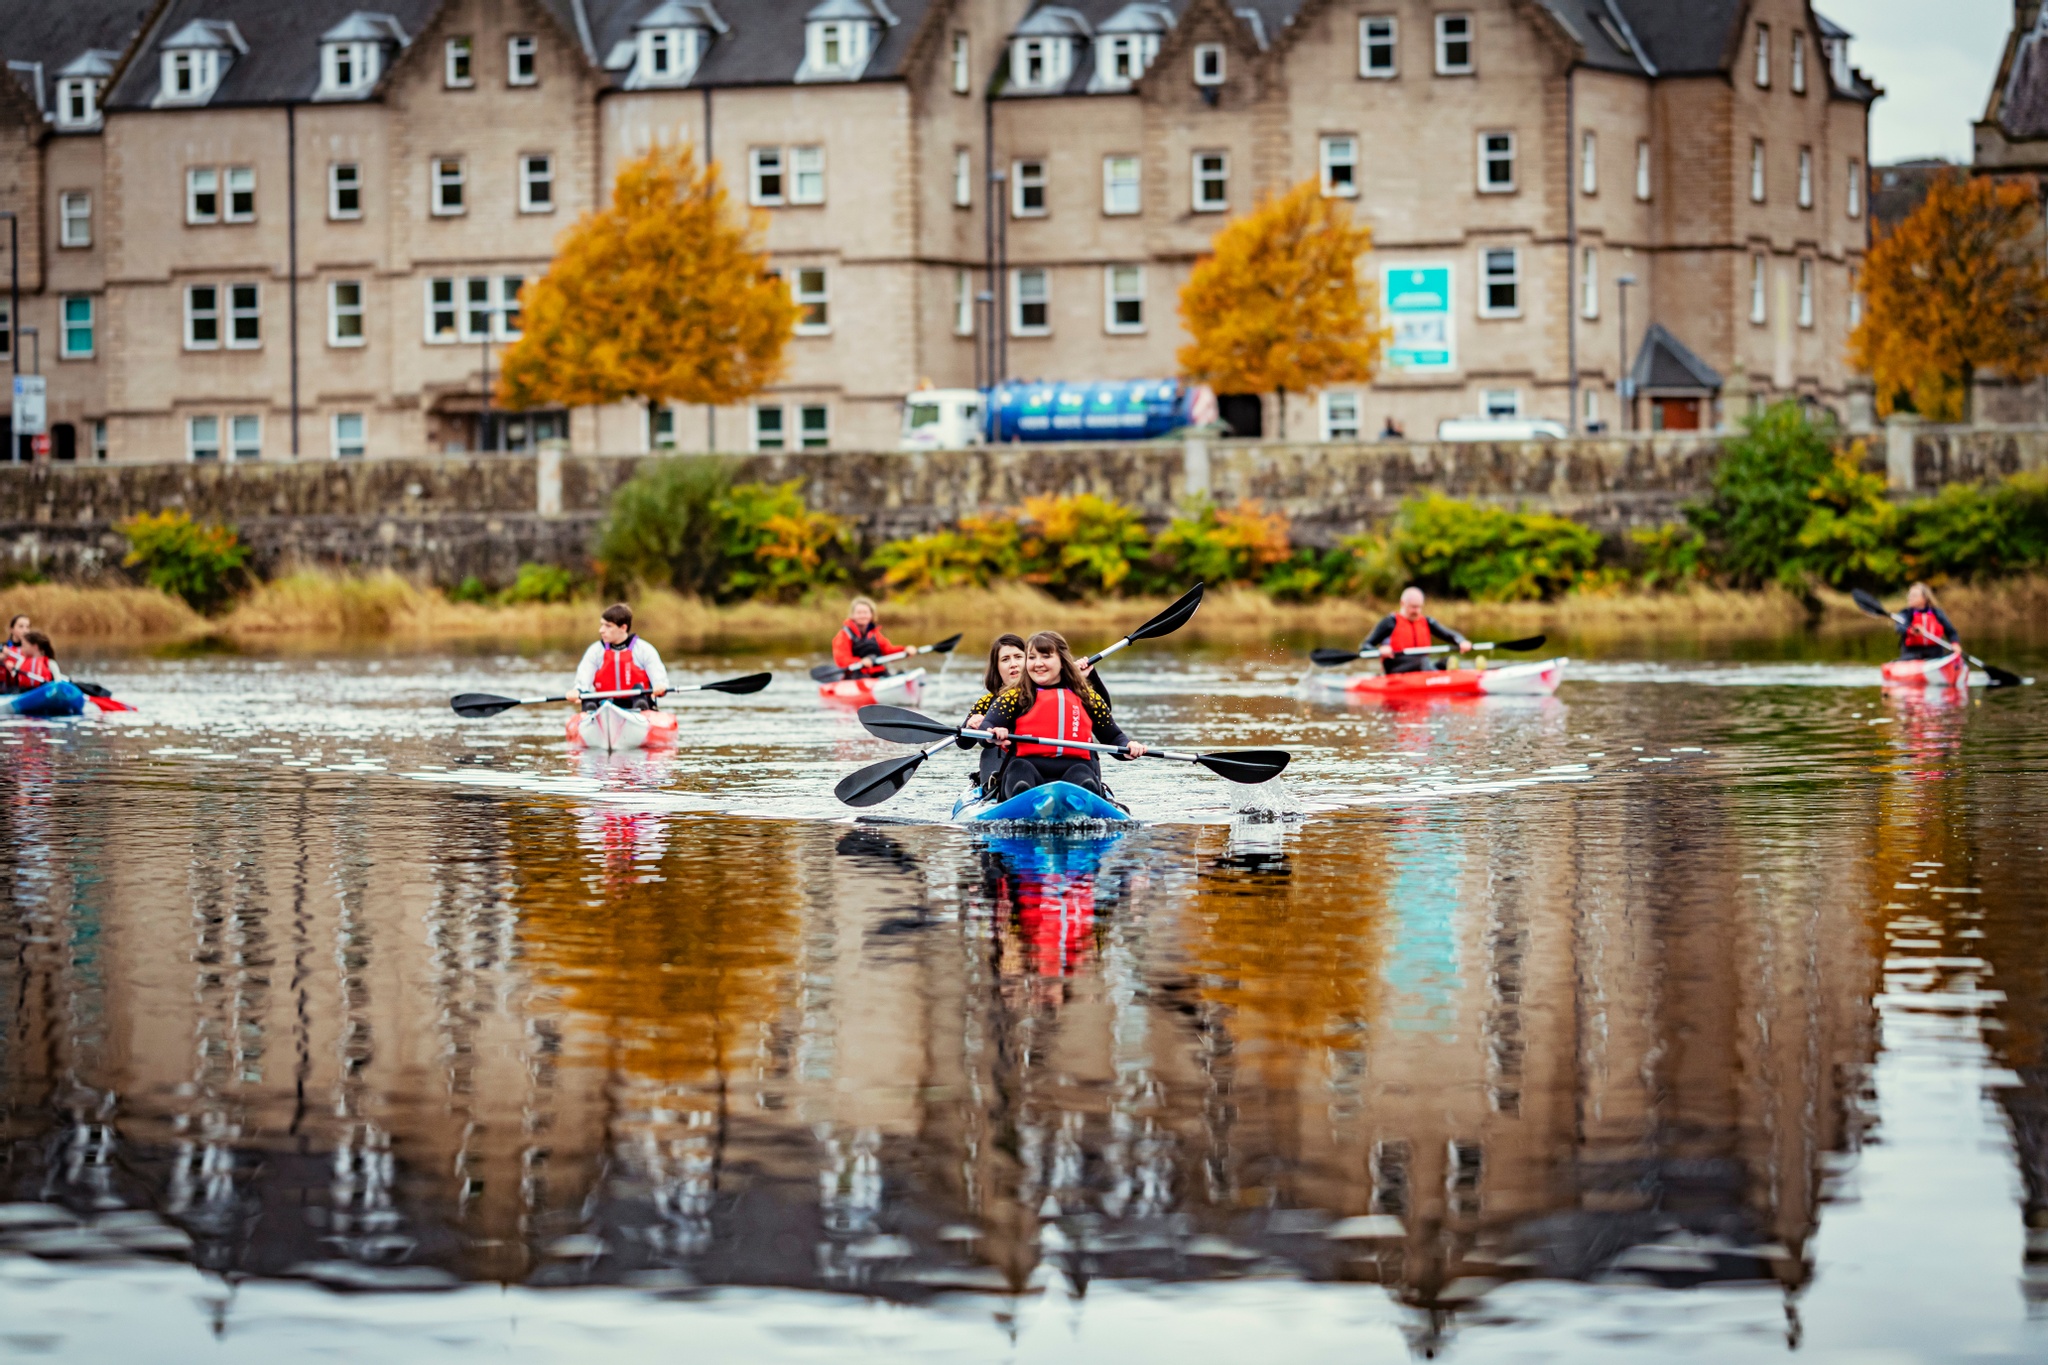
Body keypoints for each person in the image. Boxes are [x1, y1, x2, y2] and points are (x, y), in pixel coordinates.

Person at [984, 632, 1145, 799]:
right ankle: (1024, 798)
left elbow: (1113, 737)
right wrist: (992, 735)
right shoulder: (1014, 696)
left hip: (1074, 769)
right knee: (1020, 772)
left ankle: (1082, 798)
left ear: (1062, 661)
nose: (1038, 663)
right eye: (1032, 658)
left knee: (1084, 776)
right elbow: (986, 726)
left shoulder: (1087, 697)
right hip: (1027, 770)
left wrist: (1128, 747)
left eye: (1046, 656)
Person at [574, 603, 669, 711]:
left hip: (637, 704)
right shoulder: (595, 651)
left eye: (608, 626)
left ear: (623, 627)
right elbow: (583, 681)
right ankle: (591, 713)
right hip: (605, 706)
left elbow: (659, 679)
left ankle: (641, 710)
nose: (601, 630)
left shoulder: (644, 649)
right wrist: (578, 691)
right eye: (602, 625)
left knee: (638, 690)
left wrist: (659, 686)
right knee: (587, 696)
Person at [1361, 587, 1472, 675]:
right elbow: (1365, 647)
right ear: (1402, 603)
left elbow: (1448, 634)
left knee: (1449, 661)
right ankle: (1437, 677)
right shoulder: (1389, 622)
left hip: (1423, 666)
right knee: (1421, 662)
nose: (1417, 611)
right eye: (1413, 607)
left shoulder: (1427, 622)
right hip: (1397, 667)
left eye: (1419, 607)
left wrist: (1461, 641)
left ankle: (1454, 677)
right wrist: (1380, 650)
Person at [831, 597, 899, 679]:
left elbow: (888, 650)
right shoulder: (844, 635)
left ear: (871, 615)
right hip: (856, 676)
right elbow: (842, 660)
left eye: (865, 612)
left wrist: (905, 650)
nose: (863, 616)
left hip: (877, 673)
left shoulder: (875, 633)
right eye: (859, 613)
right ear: (852, 615)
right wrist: (861, 662)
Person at [1892, 582, 1961, 661]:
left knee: (1950, 656)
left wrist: (1955, 644)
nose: (1910, 598)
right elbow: (1899, 628)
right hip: (1911, 654)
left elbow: (1951, 632)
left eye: (1914, 595)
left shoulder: (1937, 613)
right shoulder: (1905, 613)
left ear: (1925, 598)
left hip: (1935, 654)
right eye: (1909, 595)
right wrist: (1911, 630)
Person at [0, 614, 29, 692]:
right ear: (11, 629)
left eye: (27, 627)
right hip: (5, 689)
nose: (25, 630)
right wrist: (3, 659)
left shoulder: (33, 649)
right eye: (21, 626)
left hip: (25, 689)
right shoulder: (3, 647)